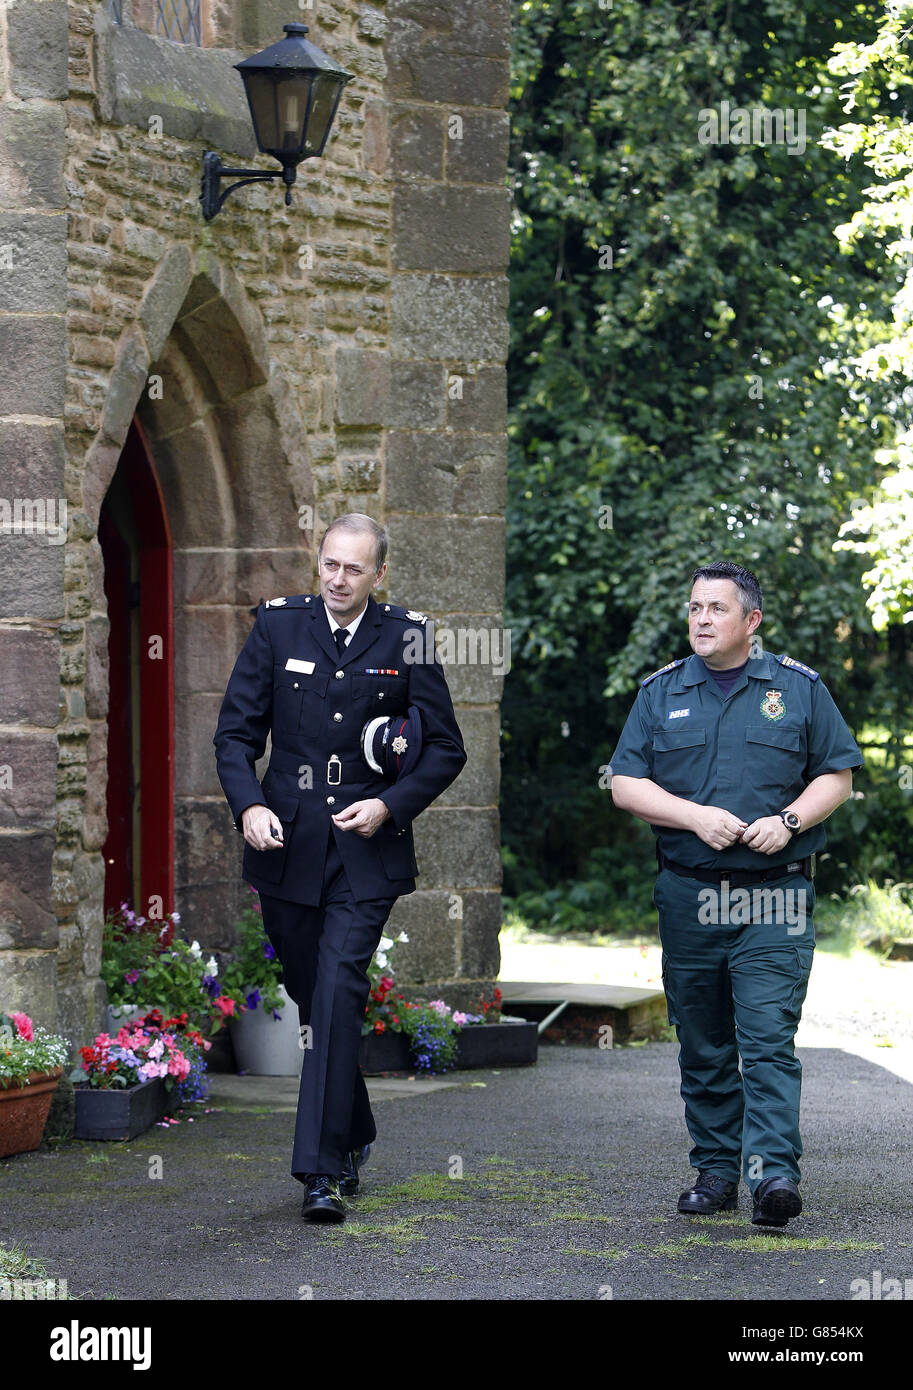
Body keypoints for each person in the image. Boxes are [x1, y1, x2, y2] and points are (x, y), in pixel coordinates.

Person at [213, 513, 466, 1222]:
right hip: (286, 846)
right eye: (328, 563)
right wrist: (247, 807)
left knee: (335, 993)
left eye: (353, 569)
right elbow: (234, 735)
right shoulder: (278, 627)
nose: (336, 578)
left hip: (365, 852)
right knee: (309, 994)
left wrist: (389, 805)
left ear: (378, 574)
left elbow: (445, 748)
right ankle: (353, 1129)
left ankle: (320, 1174)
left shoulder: (407, 635)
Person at [609, 561, 862, 1228]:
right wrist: (693, 816)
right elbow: (624, 785)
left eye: (715, 608)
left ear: (750, 622)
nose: (699, 619)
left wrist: (788, 823)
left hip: (773, 898)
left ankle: (772, 1175)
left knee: (767, 1039)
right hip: (689, 895)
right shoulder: (659, 693)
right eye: (693, 607)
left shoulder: (798, 689)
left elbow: (835, 775)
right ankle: (716, 1171)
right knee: (703, 1041)